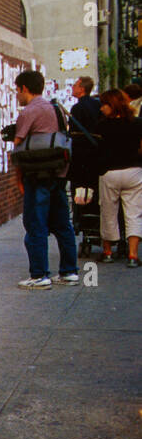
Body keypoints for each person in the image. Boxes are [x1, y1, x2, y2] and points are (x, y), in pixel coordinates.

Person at [12, 69, 79, 289]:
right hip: (58, 173)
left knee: (35, 224)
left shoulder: (29, 111)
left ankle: (39, 274)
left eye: (17, 90)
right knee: (62, 224)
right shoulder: (55, 108)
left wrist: (19, 178)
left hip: (37, 174)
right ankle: (69, 271)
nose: (17, 95)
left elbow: (18, 143)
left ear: (24, 88)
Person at [91, 88, 142, 267]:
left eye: (104, 104)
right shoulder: (137, 123)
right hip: (134, 171)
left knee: (108, 212)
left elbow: (96, 150)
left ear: (112, 105)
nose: (102, 108)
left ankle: (107, 252)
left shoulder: (101, 126)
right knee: (134, 213)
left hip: (109, 172)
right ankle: (133, 255)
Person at [68, 76, 102, 199]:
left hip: (81, 155)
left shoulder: (77, 108)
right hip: (97, 153)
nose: (72, 87)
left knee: (80, 191)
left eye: (75, 85)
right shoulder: (98, 105)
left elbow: (73, 133)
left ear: (82, 89)